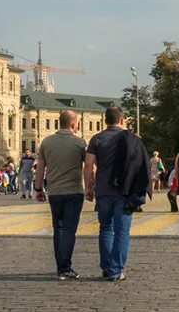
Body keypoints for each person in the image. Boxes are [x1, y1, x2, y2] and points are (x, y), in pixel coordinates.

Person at [85, 106, 150, 281]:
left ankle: (107, 267)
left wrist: (88, 188)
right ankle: (115, 269)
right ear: (122, 120)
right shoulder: (132, 139)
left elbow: (89, 165)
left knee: (105, 228)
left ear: (105, 120)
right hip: (125, 192)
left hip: (103, 191)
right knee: (121, 231)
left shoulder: (96, 139)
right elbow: (141, 166)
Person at [36, 110, 89, 279]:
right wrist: (90, 187)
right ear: (73, 124)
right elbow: (88, 167)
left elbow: (40, 168)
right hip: (74, 192)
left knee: (58, 229)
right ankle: (65, 267)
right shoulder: (80, 143)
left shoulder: (47, 142)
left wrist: (38, 189)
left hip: (55, 192)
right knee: (68, 230)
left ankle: (61, 267)